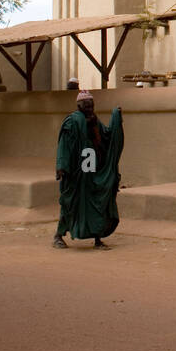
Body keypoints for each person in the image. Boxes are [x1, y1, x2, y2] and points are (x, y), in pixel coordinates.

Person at [52, 90, 124, 250]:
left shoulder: (94, 121)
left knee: (97, 202)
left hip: (92, 171)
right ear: (80, 106)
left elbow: (107, 136)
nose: (90, 109)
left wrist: (116, 118)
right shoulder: (72, 121)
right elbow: (64, 145)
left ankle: (97, 238)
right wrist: (62, 166)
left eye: (92, 106)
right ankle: (59, 235)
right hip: (76, 173)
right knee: (71, 203)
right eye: (87, 106)